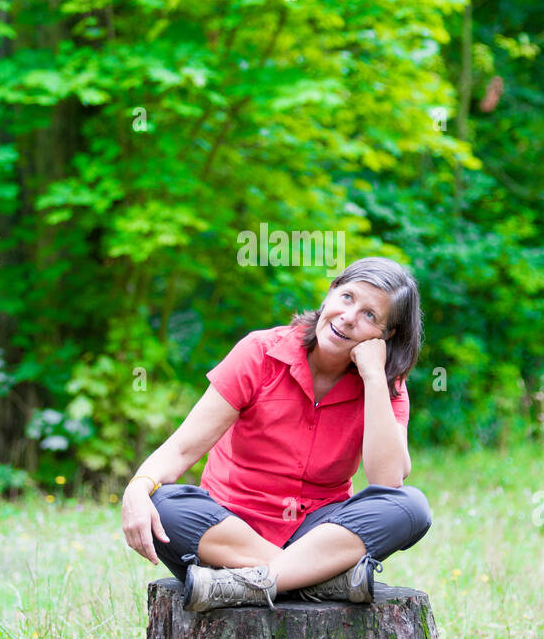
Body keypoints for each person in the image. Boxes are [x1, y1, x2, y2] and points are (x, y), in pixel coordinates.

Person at [121, 256, 432, 611]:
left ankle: (248, 583)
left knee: (411, 508)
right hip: (230, 526)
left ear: (386, 335)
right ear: (329, 294)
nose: (349, 317)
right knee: (163, 506)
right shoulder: (259, 353)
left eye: (370, 315)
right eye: (347, 298)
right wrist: (138, 486)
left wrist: (375, 378)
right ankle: (317, 580)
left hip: (317, 531)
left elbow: (387, 481)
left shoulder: (384, 383)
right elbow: (181, 449)